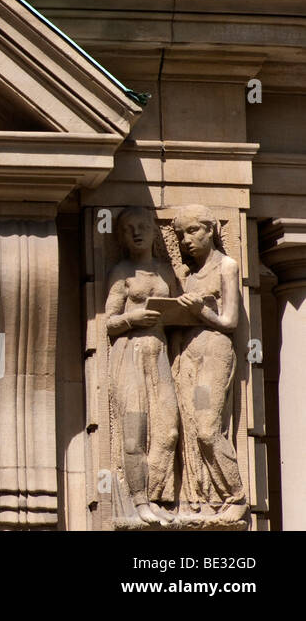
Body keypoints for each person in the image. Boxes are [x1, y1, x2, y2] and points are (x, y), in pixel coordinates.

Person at [169, 205, 247, 522]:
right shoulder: (188, 275)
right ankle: (202, 500)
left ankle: (237, 495)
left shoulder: (226, 266)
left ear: (210, 230)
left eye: (193, 231)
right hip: (188, 353)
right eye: (180, 235)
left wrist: (200, 311)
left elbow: (229, 320)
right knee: (190, 427)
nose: (186, 240)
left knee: (206, 429)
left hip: (214, 350)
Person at [103, 206, 179, 526]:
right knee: (134, 431)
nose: (136, 233)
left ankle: (157, 494)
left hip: (160, 353)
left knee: (169, 429)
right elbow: (109, 321)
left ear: (153, 232)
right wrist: (133, 319)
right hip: (129, 352)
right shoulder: (121, 272)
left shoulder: (165, 272)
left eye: (143, 227)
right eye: (128, 228)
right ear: (121, 236)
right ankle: (138, 501)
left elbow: (179, 314)